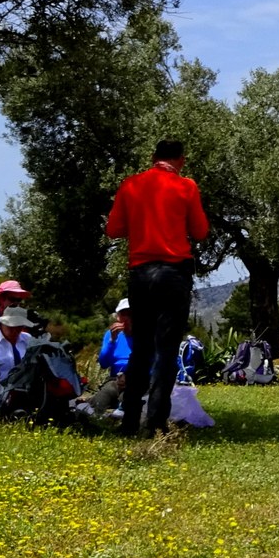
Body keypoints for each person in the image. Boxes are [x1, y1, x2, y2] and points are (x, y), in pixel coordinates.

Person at [104, 139, 210, 435]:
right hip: (173, 273)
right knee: (166, 350)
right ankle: (155, 423)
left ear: (153, 158)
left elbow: (113, 230)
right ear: (181, 160)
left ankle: (128, 420)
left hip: (140, 273)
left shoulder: (131, 185)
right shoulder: (186, 187)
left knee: (141, 349)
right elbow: (200, 231)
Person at [90, 298, 134, 416]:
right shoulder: (111, 335)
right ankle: (95, 416)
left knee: (129, 396)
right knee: (106, 393)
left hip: (137, 380)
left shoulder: (146, 336)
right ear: (118, 317)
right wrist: (112, 340)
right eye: (124, 314)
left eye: (131, 314)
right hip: (116, 378)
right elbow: (104, 363)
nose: (128, 318)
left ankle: (121, 412)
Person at [0, 303, 37, 379]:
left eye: (19, 327)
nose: (15, 331)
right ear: (2, 323)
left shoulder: (27, 338)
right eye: (11, 327)